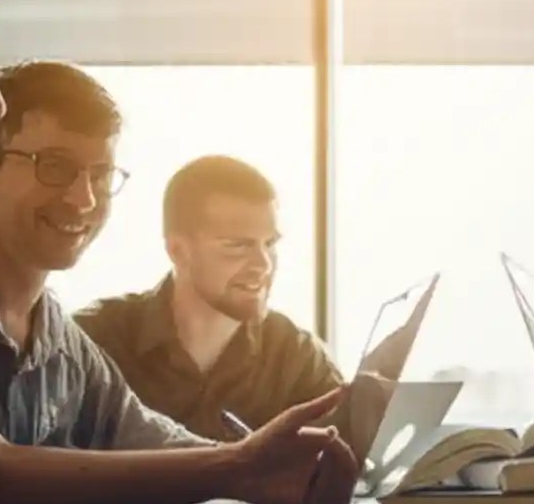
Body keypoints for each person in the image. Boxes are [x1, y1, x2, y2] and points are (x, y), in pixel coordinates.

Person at [0, 0, 357, 504]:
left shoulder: (63, 342)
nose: (84, 199)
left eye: (100, 174)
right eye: (54, 167)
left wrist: (261, 475)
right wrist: (238, 466)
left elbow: (152, 441)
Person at [75, 156, 341, 439]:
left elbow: (347, 458)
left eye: (270, 243)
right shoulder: (94, 341)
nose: (263, 264)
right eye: (238, 245)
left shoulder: (297, 356)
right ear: (178, 251)